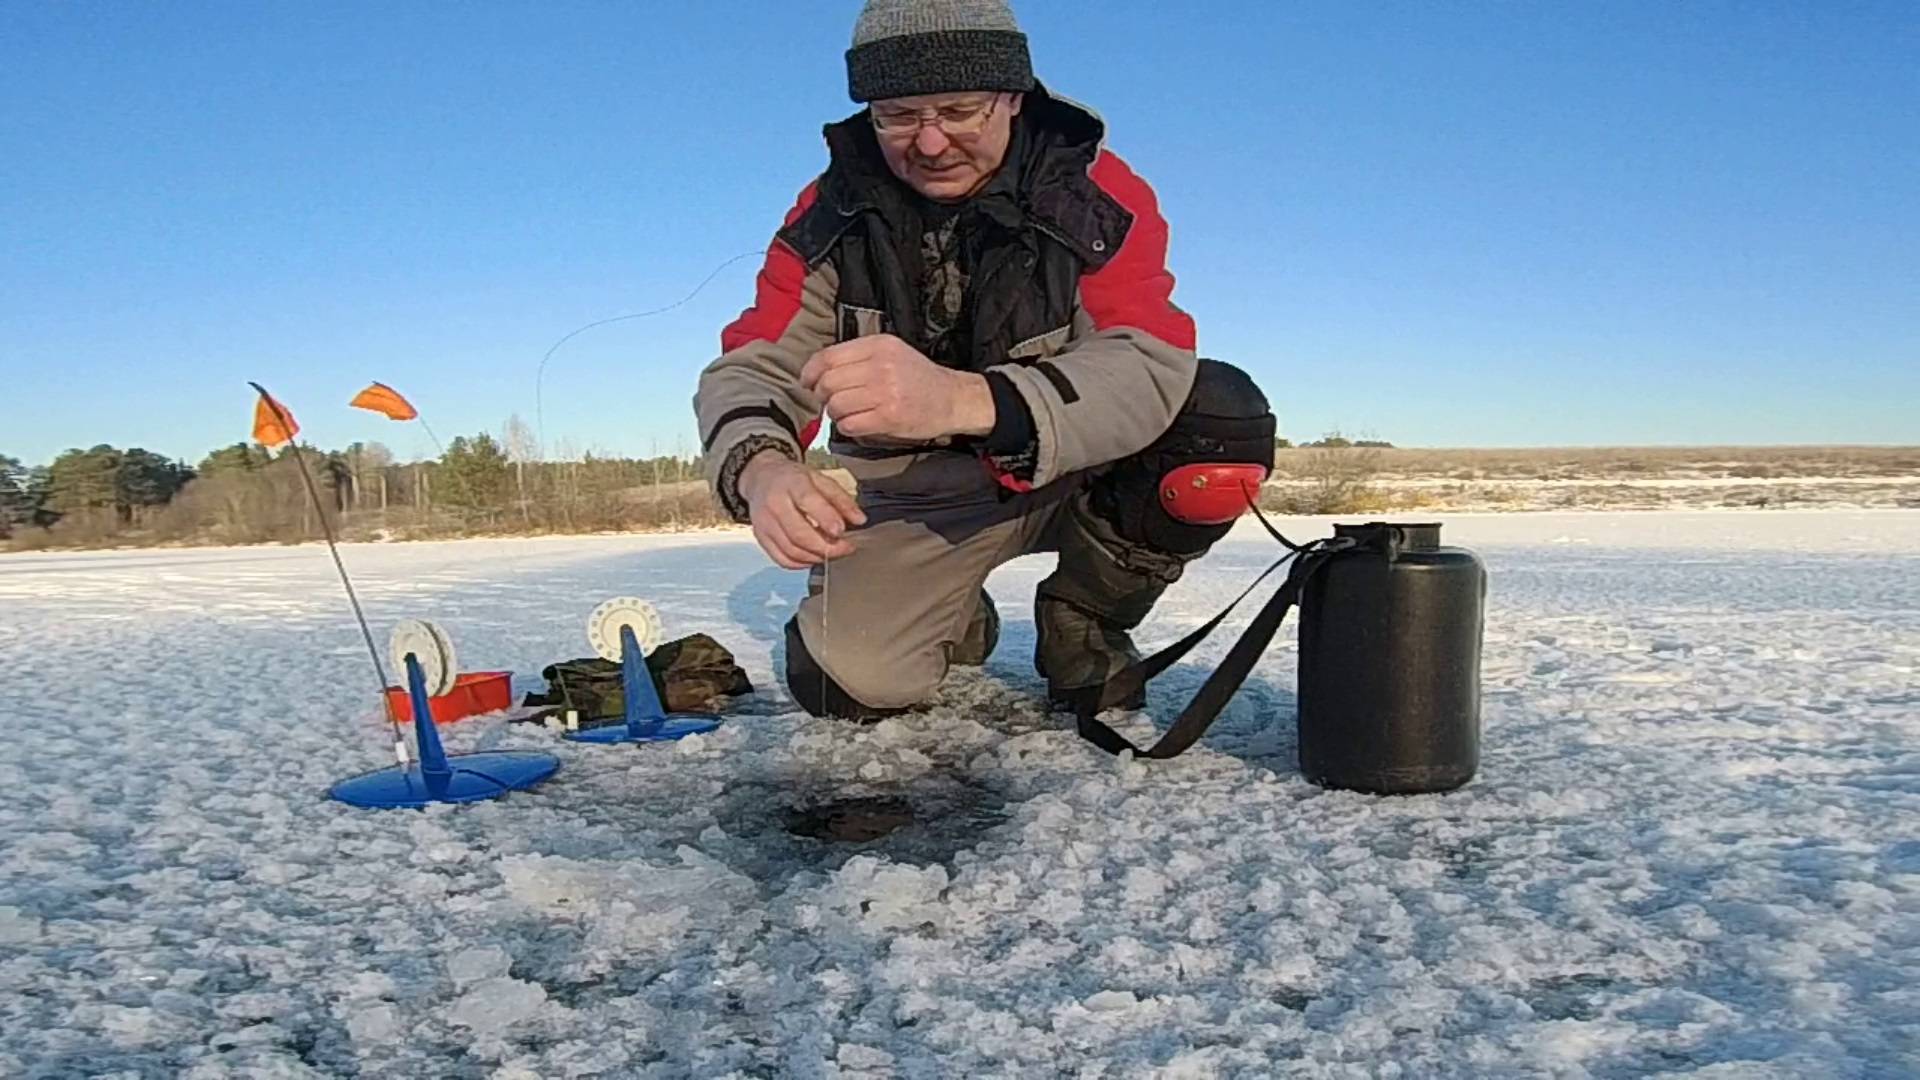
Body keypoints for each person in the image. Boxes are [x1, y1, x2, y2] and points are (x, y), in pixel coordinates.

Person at [693, 0, 1276, 720]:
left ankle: (1086, 617)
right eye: (898, 116)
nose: (931, 142)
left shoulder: (1095, 193)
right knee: (843, 688)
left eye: (959, 110)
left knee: (1218, 416)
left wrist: (966, 401)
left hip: (1078, 473)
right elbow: (755, 364)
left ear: (1012, 96)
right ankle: (955, 609)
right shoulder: (826, 214)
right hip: (919, 499)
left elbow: (1148, 359)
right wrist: (762, 468)